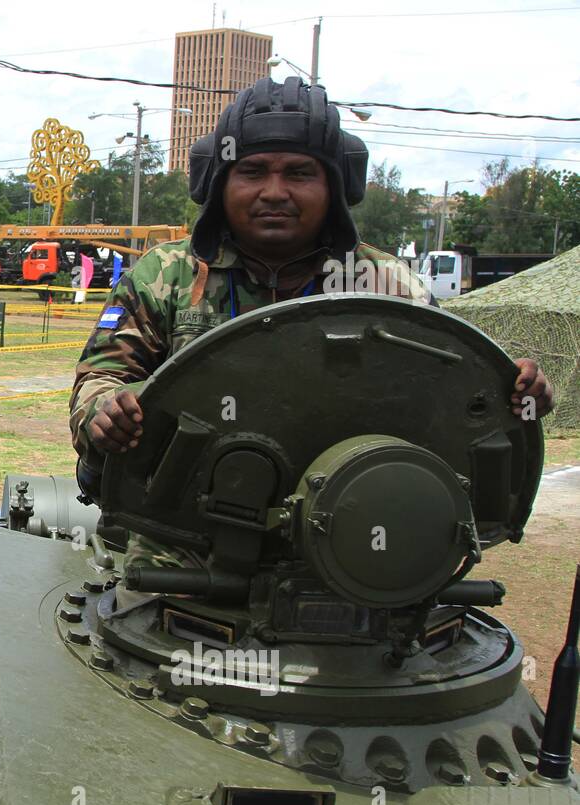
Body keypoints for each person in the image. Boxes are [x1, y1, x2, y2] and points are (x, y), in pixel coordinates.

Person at [70, 77, 554, 565]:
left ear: (334, 187)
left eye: (300, 173)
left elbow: (454, 398)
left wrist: (515, 395)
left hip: (353, 549)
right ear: (219, 183)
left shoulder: (385, 285)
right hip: (184, 549)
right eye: (252, 171)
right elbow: (100, 378)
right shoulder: (167, 276)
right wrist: (104, 411)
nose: (274, 192)